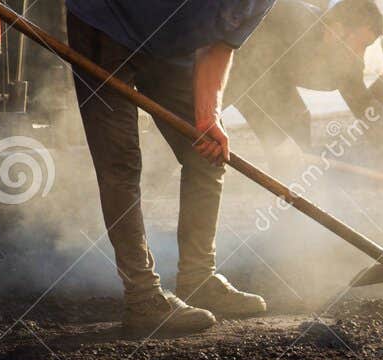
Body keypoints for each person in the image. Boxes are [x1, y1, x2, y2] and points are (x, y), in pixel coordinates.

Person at [66, 0, 278, 337]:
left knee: (206, 151)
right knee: (120, 163)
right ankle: (143, 298)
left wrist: (210, 116)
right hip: (105, 22)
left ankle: (198, 279)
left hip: (167, 44)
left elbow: (220, 46)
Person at [227, 0, 383, 159]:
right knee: (206, 132)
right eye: (362, 44)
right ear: (335, 31)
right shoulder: (286, 20)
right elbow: (242, 77)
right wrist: (277, 138)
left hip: (267, 77)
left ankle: (288, 183)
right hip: (219, 60)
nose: (361, 55)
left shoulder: (347, 62)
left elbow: (365, 107)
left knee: (296, 120)